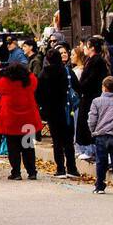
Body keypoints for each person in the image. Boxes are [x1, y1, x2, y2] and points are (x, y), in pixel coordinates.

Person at [0, 60, 41, 180]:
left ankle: (16, 172)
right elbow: (33, 77)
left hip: (10, 121)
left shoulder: (5, 82)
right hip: (27, 120)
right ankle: (32, 171)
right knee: (28, 147)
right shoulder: (29, 81)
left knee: (13, 149)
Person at [36, 45, 78, 178]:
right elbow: (77, 87)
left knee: (57, 141)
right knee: (68, 140)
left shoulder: (43, 73)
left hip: (52, 112)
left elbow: (38, 94)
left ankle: (60, 169)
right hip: (67, 110)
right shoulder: (67, 71)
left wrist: (44, 108)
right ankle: (72, 168)